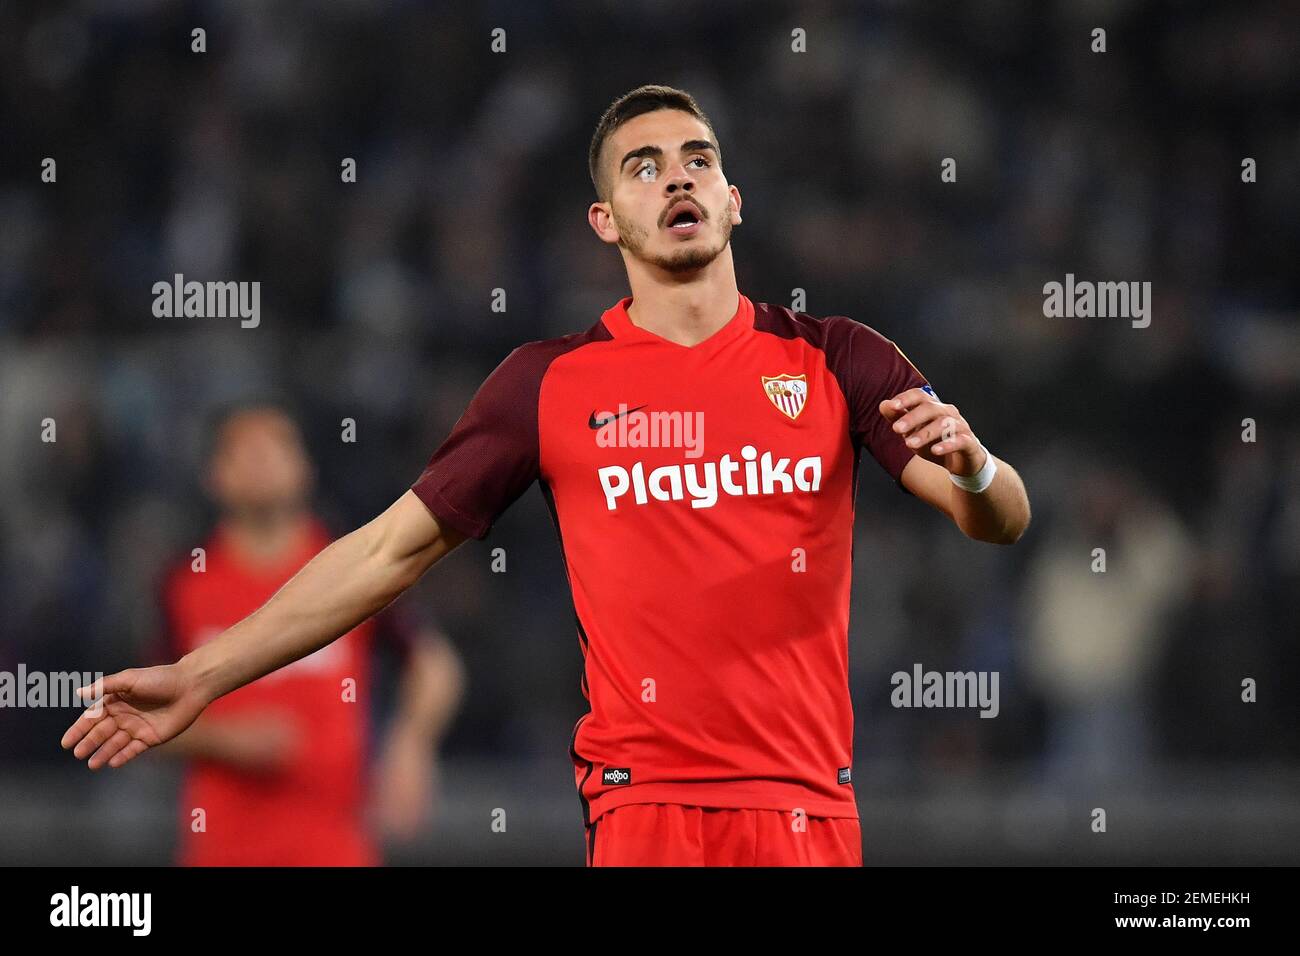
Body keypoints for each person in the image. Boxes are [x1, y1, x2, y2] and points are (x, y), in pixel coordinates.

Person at [62, 85, 1030, 867]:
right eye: (643, 168)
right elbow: (386, 552)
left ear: (734, 200)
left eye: (698, 159)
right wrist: (200, 674)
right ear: (606, 220)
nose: (677, 178)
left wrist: (975, 464)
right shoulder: (548, 384)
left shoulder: (836, 358)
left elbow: (999, 518)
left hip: (807, 809)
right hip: (644, 809)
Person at [154, 401, 464, 865]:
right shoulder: (185, 583)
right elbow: (140, 715)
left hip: (333, 848)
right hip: (223, 849)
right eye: (243, 448)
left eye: (275, 445)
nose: (260, 459)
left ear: (305, 467)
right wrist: (226, 738)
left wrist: (411, 745)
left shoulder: (350, 569)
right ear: (213, 474)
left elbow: (436, 666)